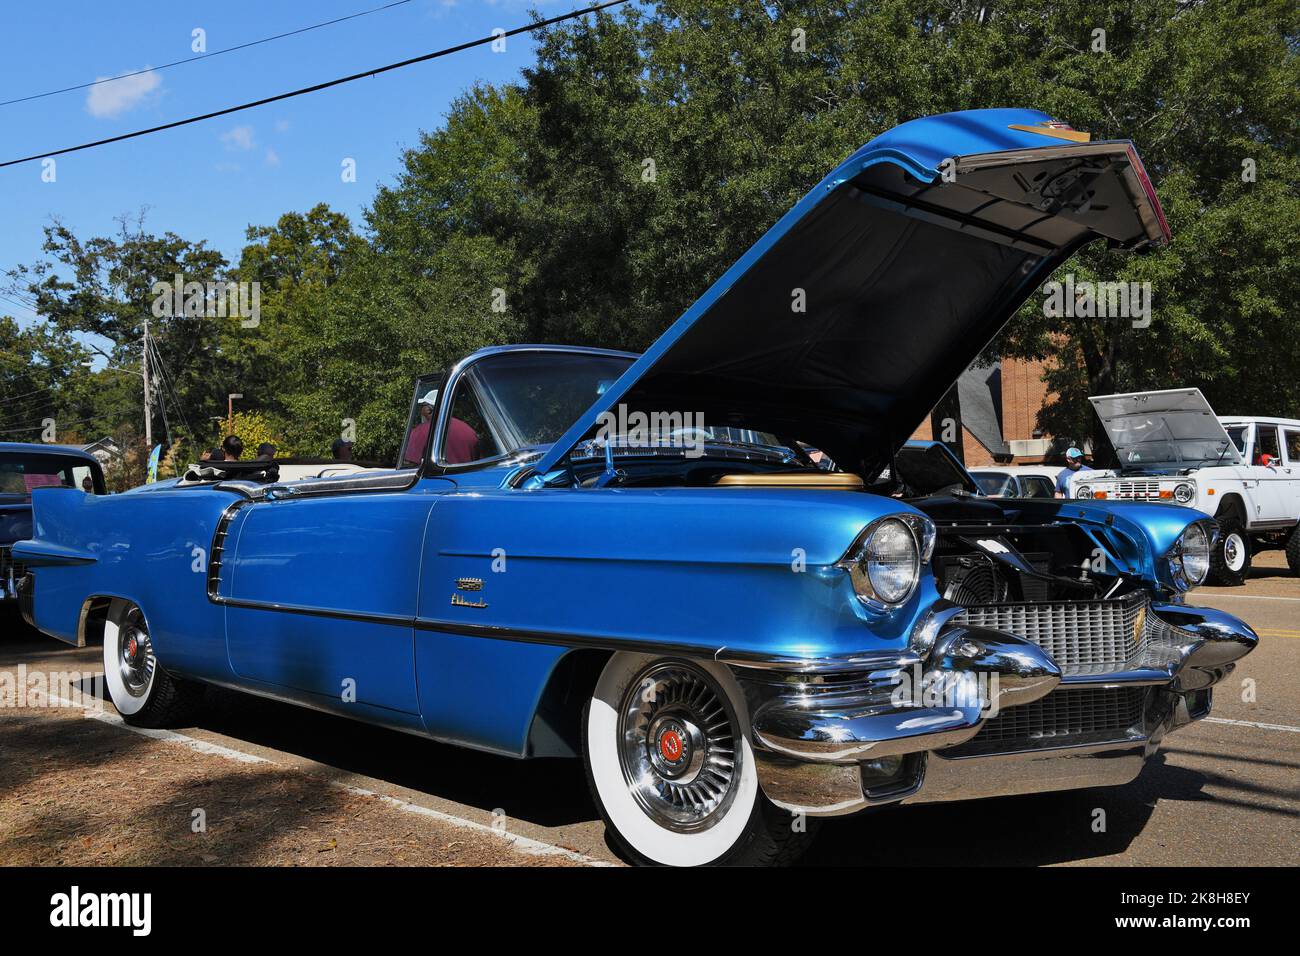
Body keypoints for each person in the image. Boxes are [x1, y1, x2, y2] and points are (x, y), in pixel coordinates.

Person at [402, 391, 437, 466]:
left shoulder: (419, 432)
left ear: (429, 410)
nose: (420, 411)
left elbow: (409, 465)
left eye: (422, 406)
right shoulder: (466, 429)